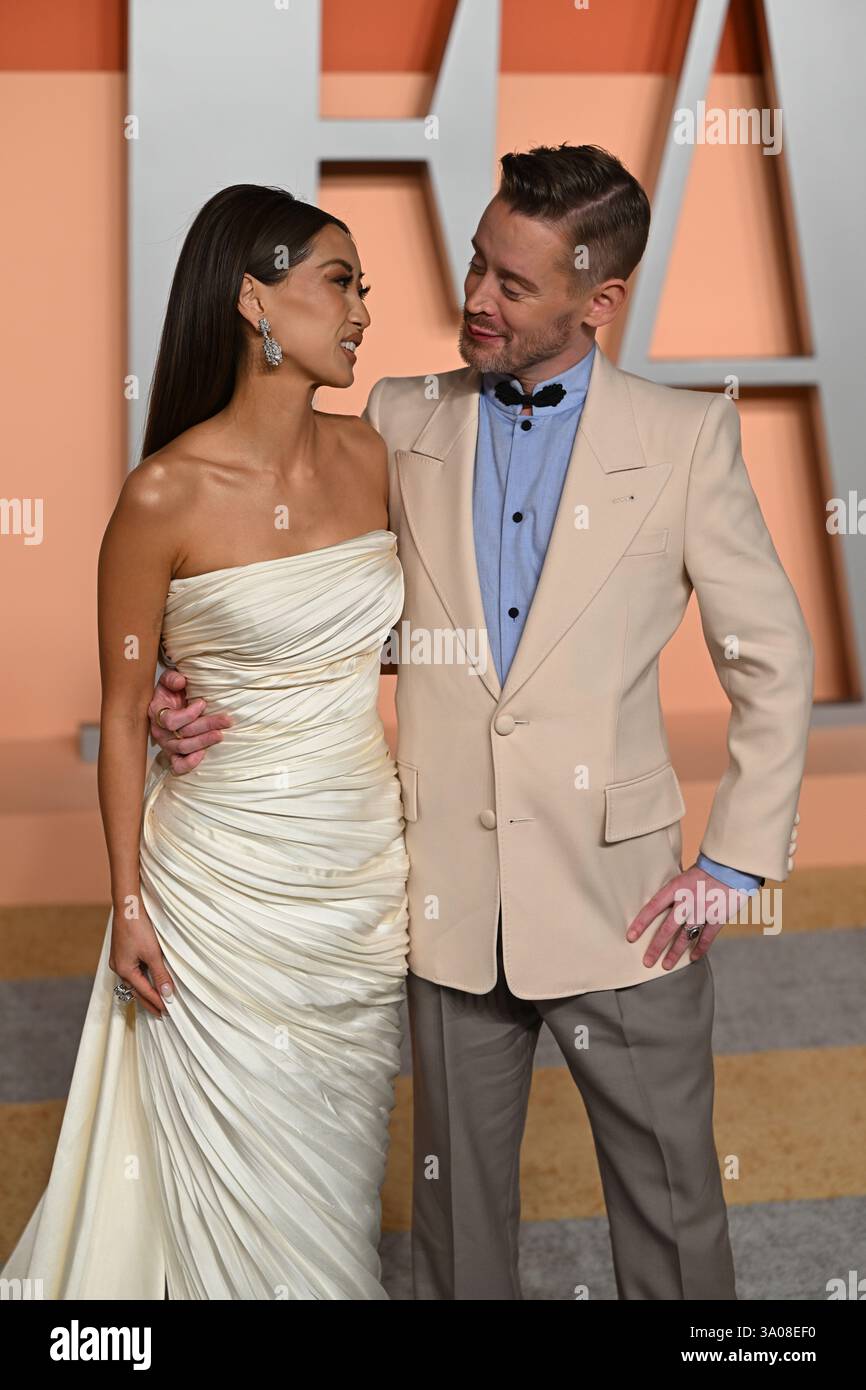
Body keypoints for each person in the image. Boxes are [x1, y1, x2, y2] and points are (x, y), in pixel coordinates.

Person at [153, 144, 811, 1302]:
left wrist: (734, 860)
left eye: (512, 282)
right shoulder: (399, 419)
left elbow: (769, 655)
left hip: (624, 907)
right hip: (445, 898)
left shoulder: (681, 440)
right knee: (456, 1237)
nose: (473, 298)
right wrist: (188, 678)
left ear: (597, 300)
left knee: (672, 1216)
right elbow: (317, 586)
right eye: (473, 263)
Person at [2, 184, 411, 1299]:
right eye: (339, 281)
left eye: (363, 287)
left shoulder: (373, 460)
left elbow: (389, 644)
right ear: (253, 300)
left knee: (332, 1160)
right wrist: (128, 904)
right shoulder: (163, 493)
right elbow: (126, 710)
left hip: (358, 868)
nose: (363, 310)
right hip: (217, 884)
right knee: (232, 1165)